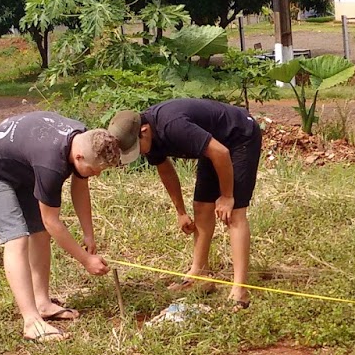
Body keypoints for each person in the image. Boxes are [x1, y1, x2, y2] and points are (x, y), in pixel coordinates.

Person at [0, 111, 122, 342]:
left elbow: (80, 184)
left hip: (21, 168)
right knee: (17, 238)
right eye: (95, 169)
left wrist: (88, 233)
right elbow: (53, 221)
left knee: (40, 233)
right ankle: (31, 322)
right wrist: (85, 260)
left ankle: (43, 303)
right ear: (78, 157)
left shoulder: (84, 138)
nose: (97, 174)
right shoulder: (51, 163)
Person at [108, 98, 263, 309]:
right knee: (201, 206)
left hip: (239, 136)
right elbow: (166, 170)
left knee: (234, 213)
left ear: (144, 130)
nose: (141, 152)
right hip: (214, 145)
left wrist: (227, 196)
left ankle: (240, 290)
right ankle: (200, 275)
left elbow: (222, 152)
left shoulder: (173, 126)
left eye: (137, 147)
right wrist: (180, 211)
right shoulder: (147, 137)